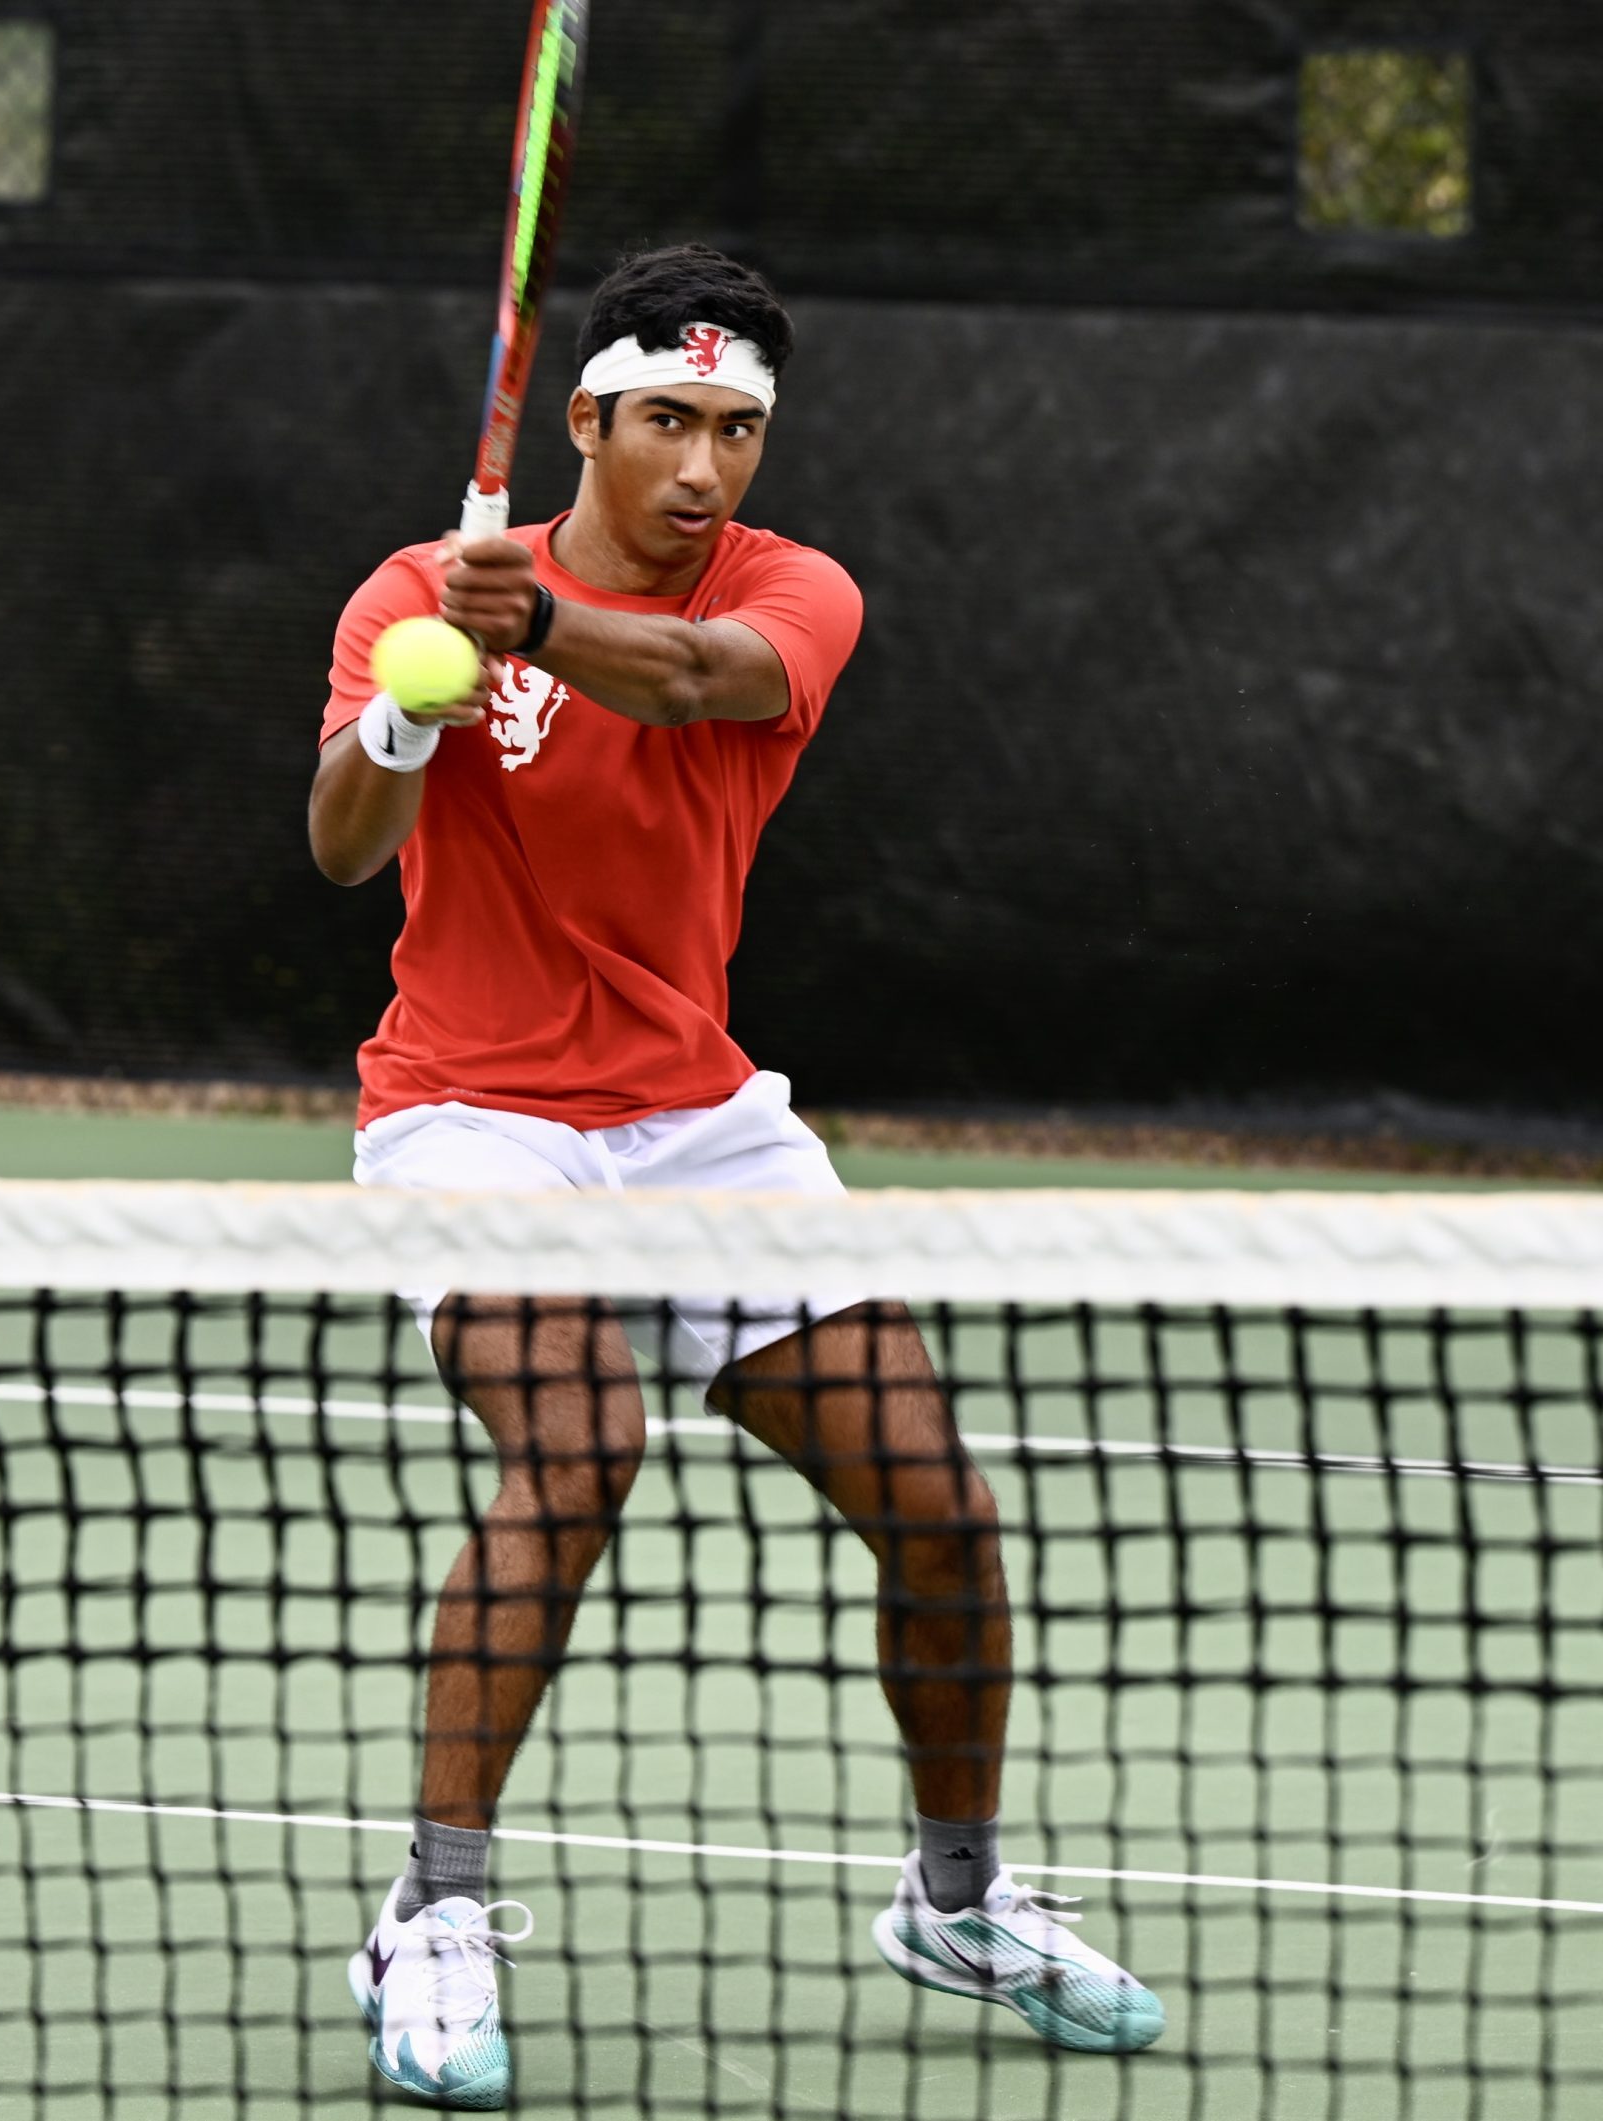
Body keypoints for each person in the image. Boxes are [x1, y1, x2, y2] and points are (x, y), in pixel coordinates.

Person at [311, 243, 1162, 2108]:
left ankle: (956, 1898)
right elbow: (342, 848)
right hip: (469, 1111)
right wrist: (404, 707)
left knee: (939, 1508)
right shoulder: (415, 593)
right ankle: (432, 1914)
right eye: (671, 424)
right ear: (591, 421)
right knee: (580, 1443)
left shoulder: (795, 592)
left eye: (740, 431)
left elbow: (698, 680)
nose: (706, 468)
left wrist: (520, 626)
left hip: (704, 1119)